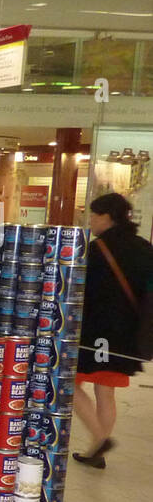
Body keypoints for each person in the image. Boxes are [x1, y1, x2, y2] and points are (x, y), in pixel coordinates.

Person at [72, 192, 153, 468]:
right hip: (128, 334)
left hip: (97, 335)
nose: (91, 220)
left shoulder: (96, 250)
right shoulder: (144, 247)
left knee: (69, 384)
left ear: (106, 217)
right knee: (106, 390)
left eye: (93, 215)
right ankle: (97, 450)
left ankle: (99, 436)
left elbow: (83, 294)